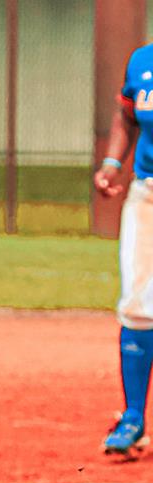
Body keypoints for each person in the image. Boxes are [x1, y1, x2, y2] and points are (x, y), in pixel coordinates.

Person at [96, 45, 153, 458]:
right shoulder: (141, 60)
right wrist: (113, 162)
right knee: (137, 305)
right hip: (147, 194)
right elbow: (126, 114)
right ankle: (133, 417)